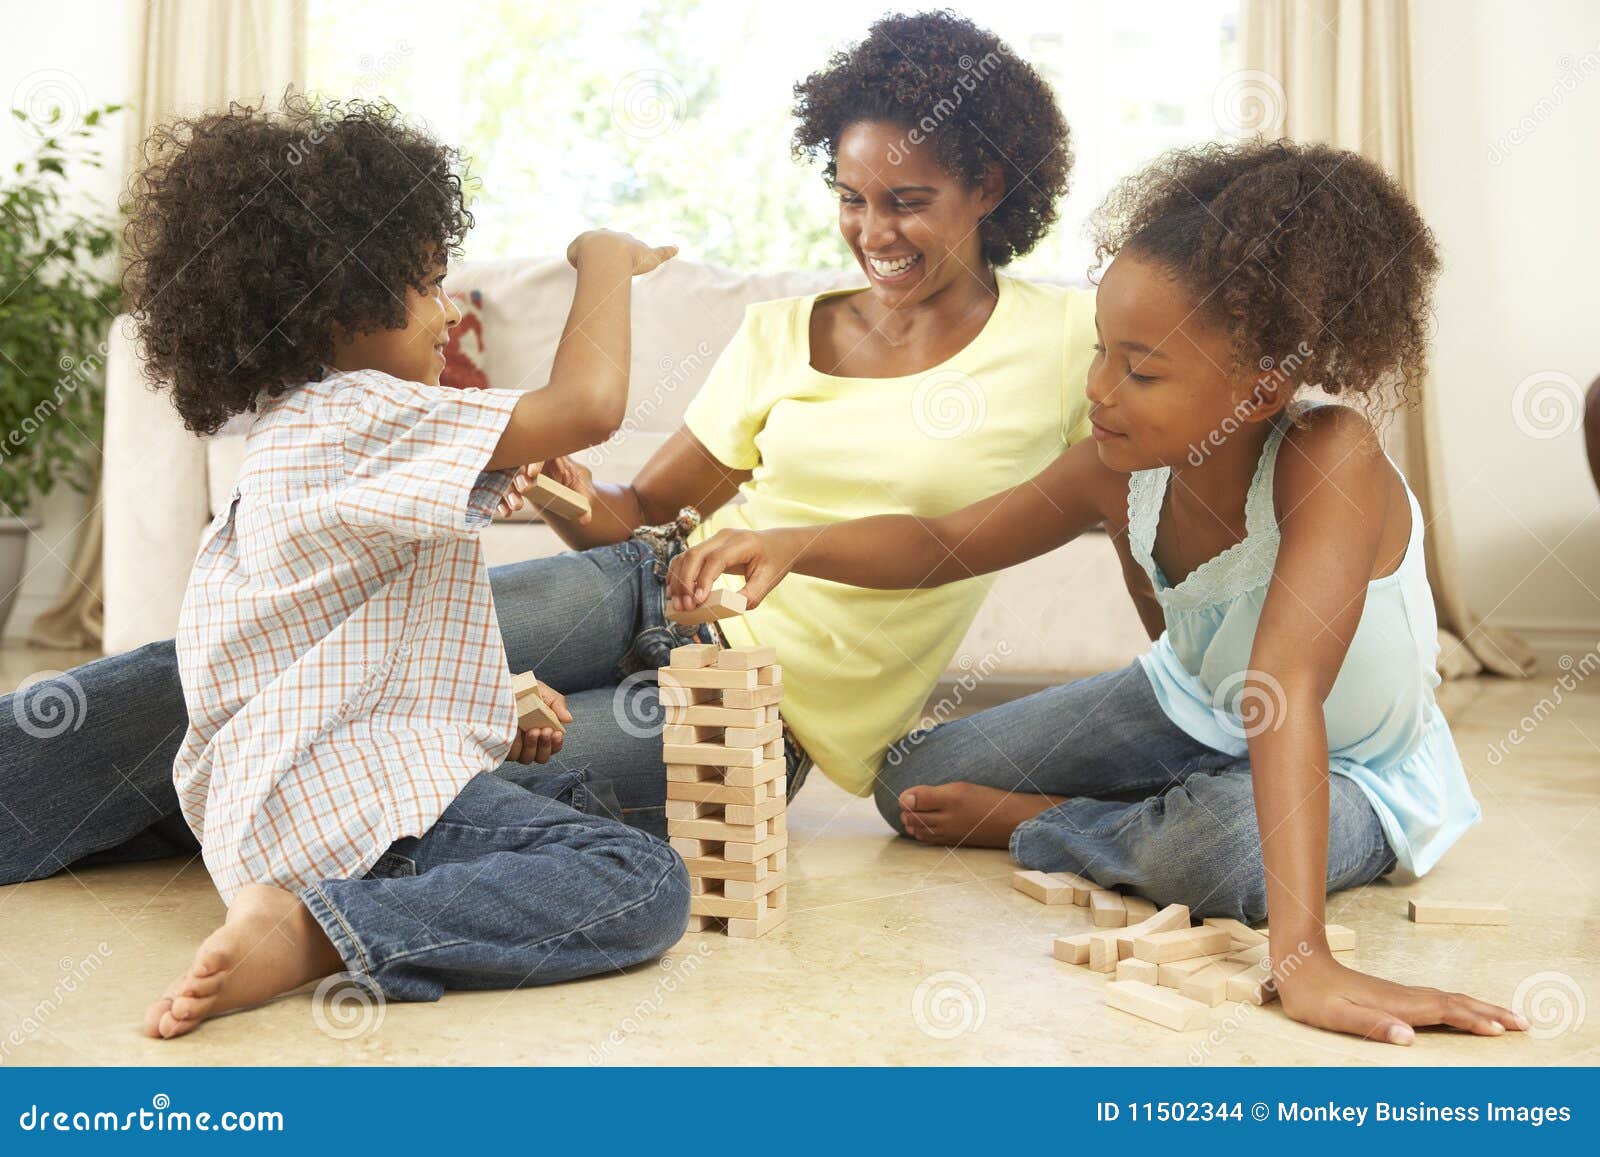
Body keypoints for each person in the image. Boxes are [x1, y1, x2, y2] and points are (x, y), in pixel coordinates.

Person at [0, 11, 1109, 877]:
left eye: (906, 200)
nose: (872, 232)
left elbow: (1001, 527)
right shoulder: (784, 332)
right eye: (851, 196)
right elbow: (647, 510)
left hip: (758, 713)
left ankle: (218, 842)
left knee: (429, 775)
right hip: (636, 588)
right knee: (293, 656)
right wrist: (589, 506)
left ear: (991, 186)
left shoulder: (1072, 342)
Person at [667, 138, 1531, 1047]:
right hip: (1192, 707)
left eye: (1142, 370)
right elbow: (947, 540)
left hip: (1351, 763)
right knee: (912, 784)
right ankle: (1143, 815)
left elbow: (1286, 687)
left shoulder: (1331, 459)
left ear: (1260, 386)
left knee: (1222, 853)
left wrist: (1301, 956)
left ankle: (1065, 822)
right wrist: (792, 543)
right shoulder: (1113, 467)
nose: (1100, 390)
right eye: (1101, 354)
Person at [118, 95, 685, 1038]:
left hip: (295, 805)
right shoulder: (361, 414)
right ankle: (325, 932)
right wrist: (605, 255)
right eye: (427, 285)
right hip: (349, 822)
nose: (448, 309)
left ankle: (311, 907)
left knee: (574, 801)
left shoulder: (302, 431)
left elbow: (337, 650)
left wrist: (489, 709)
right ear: (340, 304)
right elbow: (589, 403)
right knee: (643, 880)